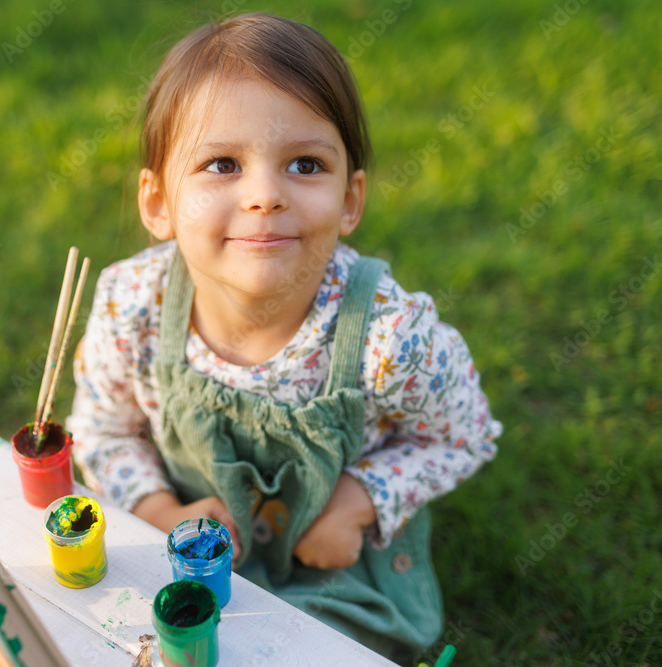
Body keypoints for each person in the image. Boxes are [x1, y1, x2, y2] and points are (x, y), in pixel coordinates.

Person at [66, 12, 501, 661]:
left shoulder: (390, 336)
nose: (265, 194)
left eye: (304, 163)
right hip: (186, 554)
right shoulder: (133, 306)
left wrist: (361, 502)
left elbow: (464, 432)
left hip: (337, 570)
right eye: (221, 164)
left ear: (350, 199)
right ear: (158, 202)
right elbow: (102, 431)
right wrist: (159, 510)